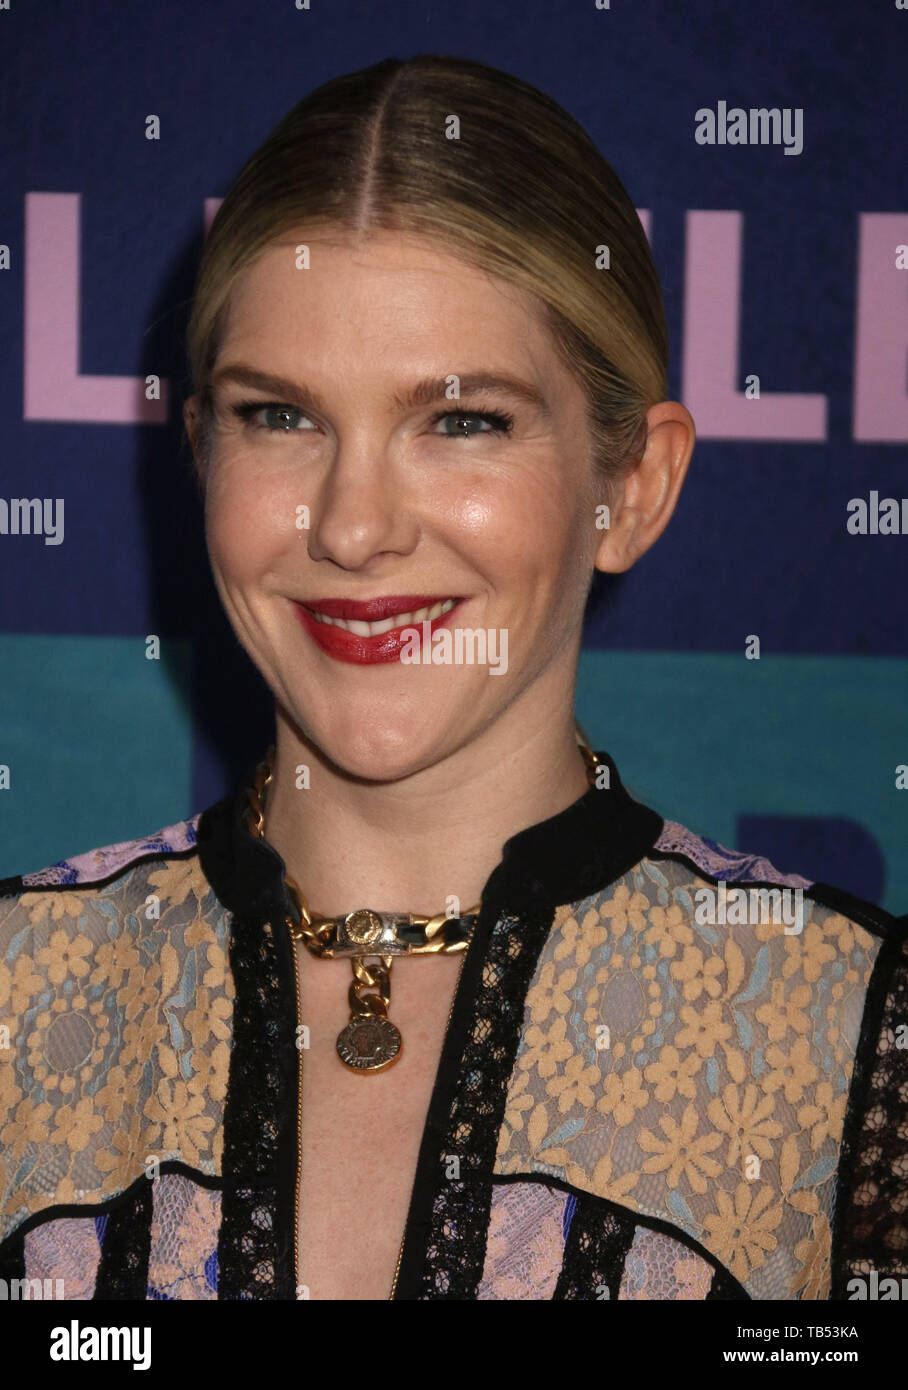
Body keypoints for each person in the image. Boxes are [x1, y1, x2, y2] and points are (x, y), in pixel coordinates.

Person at [0, 54, 904, 1303]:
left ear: (629, 487)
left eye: (461, 419)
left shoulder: (856, 1031)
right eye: (281, 416)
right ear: (202, 450)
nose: (354, 528)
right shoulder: (11, 991)